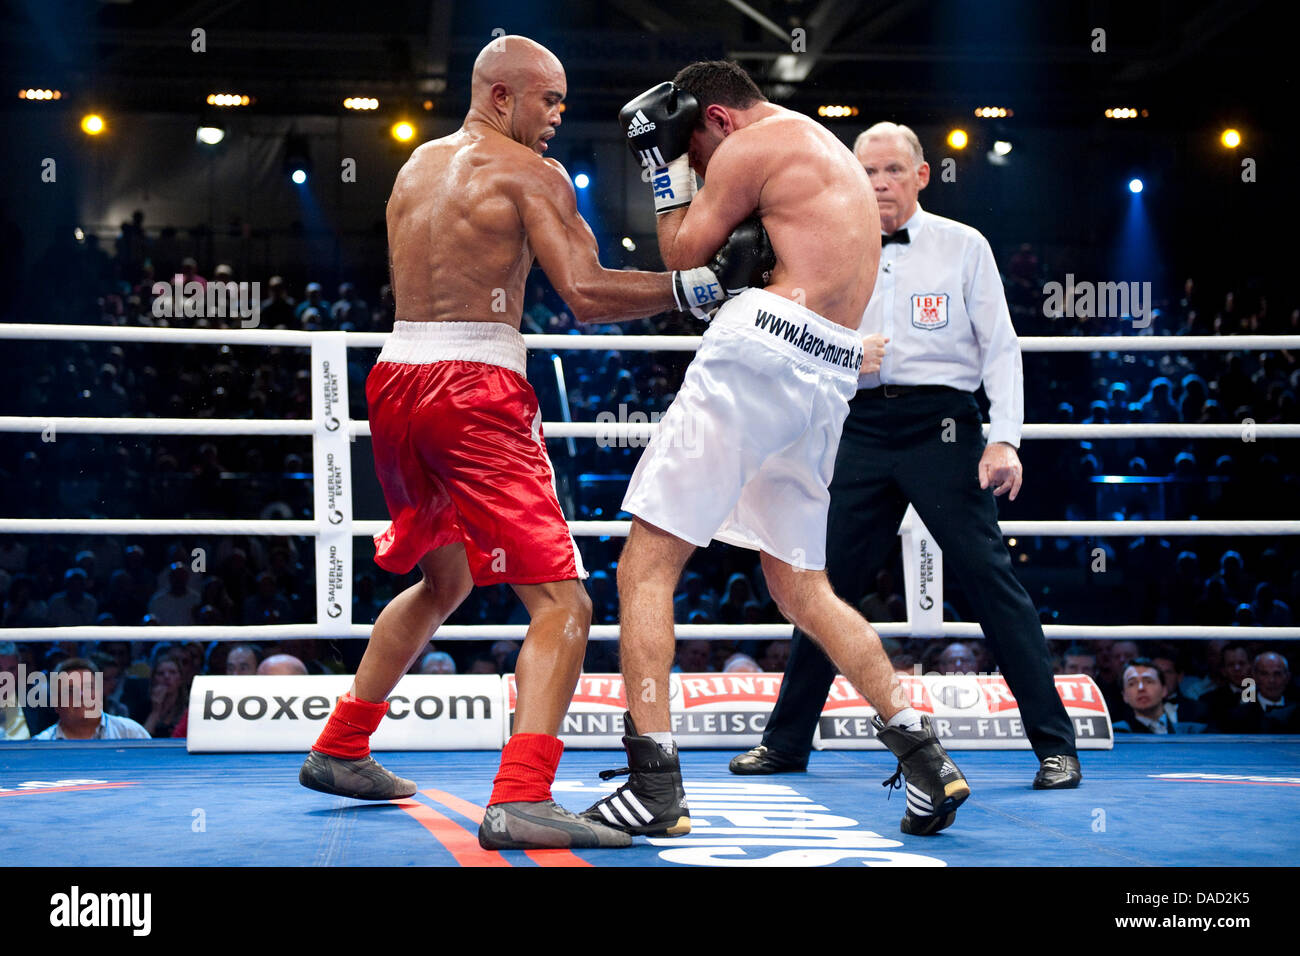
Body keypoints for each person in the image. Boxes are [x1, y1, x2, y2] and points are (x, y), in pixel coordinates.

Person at [299, 35, 729, 852]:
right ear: (501, 97)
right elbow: (589, 296)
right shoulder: (531, 174)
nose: (559, 118)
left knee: (444, 578)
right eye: (549, 101)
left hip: (396, 381)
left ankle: (342, 744)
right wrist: (695, 288)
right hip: (473, 388)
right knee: (564, 603)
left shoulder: (416, 166)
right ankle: (524, 795)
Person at [583, 62, 969, 841]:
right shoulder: (824, 151)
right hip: (827, 374)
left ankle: (654, 781)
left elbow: (682, 255)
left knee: (646, 565)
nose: (697, 159)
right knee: (803, 590)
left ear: (718, 117)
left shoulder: (750, 146)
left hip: (758, 354)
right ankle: (925, 756)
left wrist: (663, 168)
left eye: (694, 142)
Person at [728, 121, 1080, 791]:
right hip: (854, 422)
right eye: (867, 170)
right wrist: (839, 358)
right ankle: (786, 743)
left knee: (988, 579)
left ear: (920, 176)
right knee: (821, 587)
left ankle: (1055, 747)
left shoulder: (962, 244)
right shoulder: (824, 247)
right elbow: (788, 337)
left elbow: (1002, 346)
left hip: (942, 426)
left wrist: (1006, 436)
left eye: (892, 169)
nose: (880, 182)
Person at [32, 658, 150, 740]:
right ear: (55, 703)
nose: (83, 695)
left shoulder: (131, 733)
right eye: (71, 691)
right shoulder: (40, 745)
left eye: (89, 687)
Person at [1111, 658, 1204, 734]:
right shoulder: (1118, 733)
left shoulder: (1192, 731)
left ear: (1164, 690)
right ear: (1124, 696)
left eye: (1148, 681)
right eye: (1132, 684)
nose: (1141, 688)